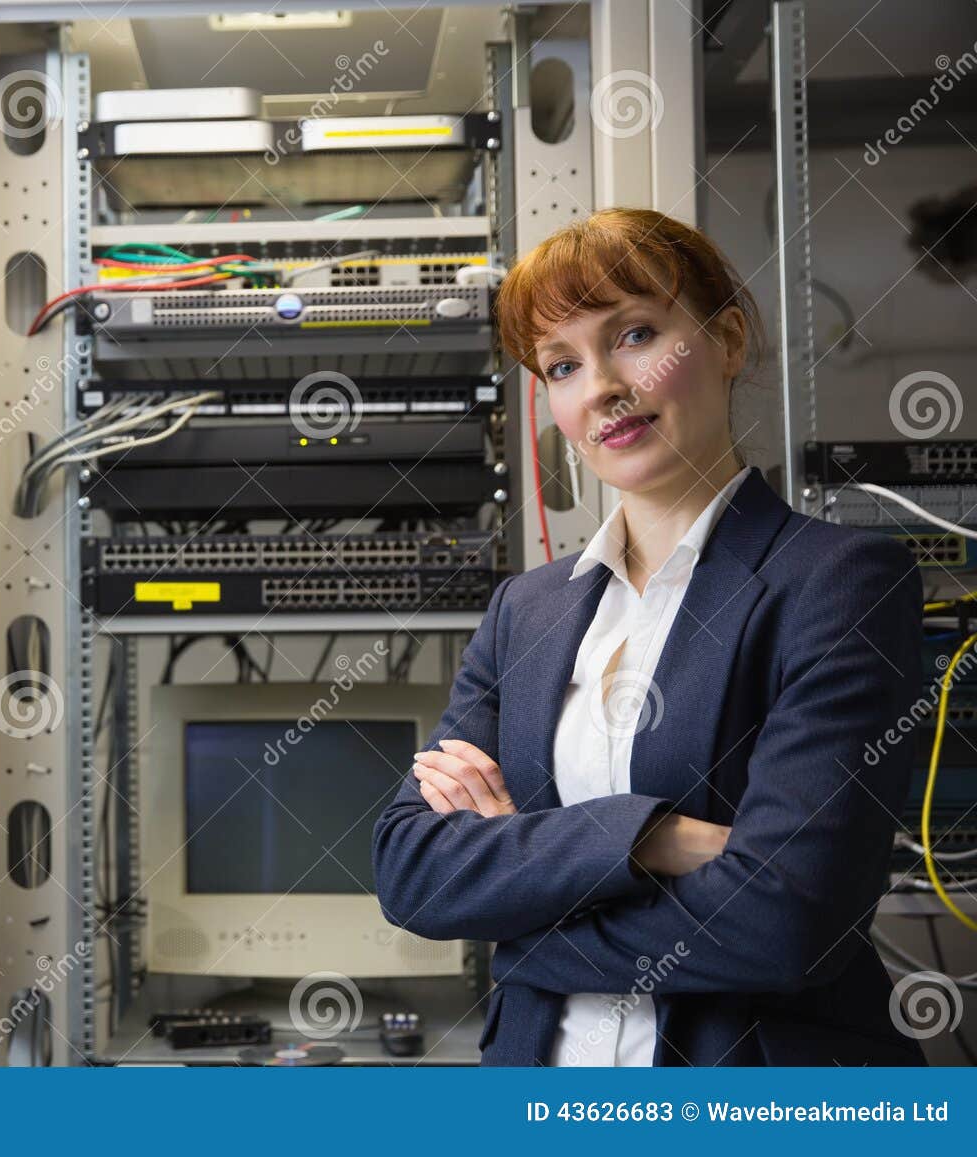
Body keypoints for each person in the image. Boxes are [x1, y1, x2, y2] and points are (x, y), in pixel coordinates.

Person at [371, 207, 927, 1066]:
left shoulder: (839, 581)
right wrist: (653, 838)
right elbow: (413, 869)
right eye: (562, 365)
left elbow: (788, 922)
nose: (599, 388)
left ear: (728, 340)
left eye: (634, 334)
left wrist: (517, 929)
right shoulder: (526, 610)